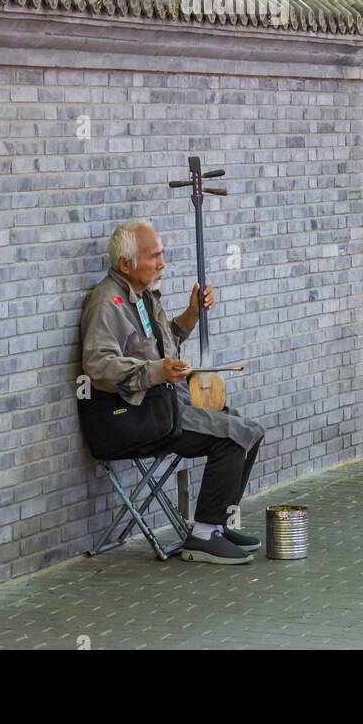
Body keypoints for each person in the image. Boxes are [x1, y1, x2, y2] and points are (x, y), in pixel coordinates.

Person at [80, 219, 265, 564]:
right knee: (233, 436)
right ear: (126, 263)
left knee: (248, 429)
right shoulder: (108, 303)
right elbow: (98, 367)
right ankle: (203, 535)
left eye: (161, 255)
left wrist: (192, 314)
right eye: (154, 257)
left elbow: (165, 345)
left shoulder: (144, 296)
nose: (162, 263)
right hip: (131, 418)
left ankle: (218, 524)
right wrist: (155, 371)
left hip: (164, 405)